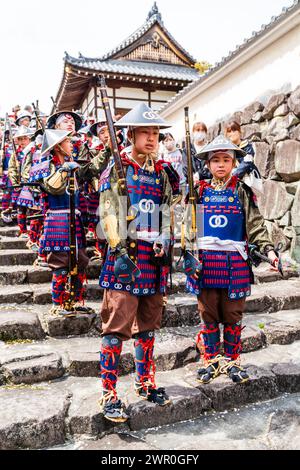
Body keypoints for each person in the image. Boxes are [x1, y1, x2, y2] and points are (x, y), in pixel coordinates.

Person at [94, 103, 179, 423]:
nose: (152, 138)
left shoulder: (163, 172)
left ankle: (145, 381)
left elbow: (171, 209)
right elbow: (107, 212)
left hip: (154, 258)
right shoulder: (116, 169)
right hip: (125, 257)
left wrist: (166, 237)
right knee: (115, 327)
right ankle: (109, 391)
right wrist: (118, 249)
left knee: (147, 324)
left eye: (156, 132)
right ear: (131, 134)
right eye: (146, 132)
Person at [183, 135, 279, 385]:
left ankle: (233, 359)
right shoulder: (199, 192)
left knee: (232, 313)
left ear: (235, 162)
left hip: (235, 262)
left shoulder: (241, 190)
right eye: (216, 160)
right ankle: (212, 359)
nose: (221, 164)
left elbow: (255, 224)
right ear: (208, 164)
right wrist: (188, 256)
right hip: (206, 261)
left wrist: (269, 250)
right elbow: (187, 227)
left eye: (227, 159)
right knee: (209, 313)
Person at [7, 126, 35, 237]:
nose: (22, 141)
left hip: (31, 183)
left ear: (29, 139)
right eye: (20, 139)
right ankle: (23, 230)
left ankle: (33, 233)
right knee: (20, 208)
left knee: (34, 210)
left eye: (24, 139)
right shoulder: (16, 153)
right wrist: (15, 182)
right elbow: (12, 168)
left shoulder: (34, 151)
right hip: (19, 184)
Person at [224, 120, 263, 196]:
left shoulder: (247, 146)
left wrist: (233, 175)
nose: (232, 133)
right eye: (229, 131)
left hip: (248, 182)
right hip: (233, 184)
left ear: (239, 131)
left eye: (234, 130)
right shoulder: (227, 150)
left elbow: (247, 163)